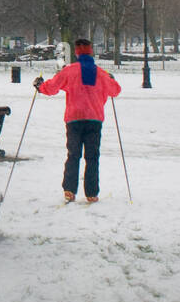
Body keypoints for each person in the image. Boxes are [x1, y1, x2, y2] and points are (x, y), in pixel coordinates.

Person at [34, 37, 122, 203]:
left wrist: (40, 86)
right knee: (92, 156)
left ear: (76, 52)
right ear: (91, 52)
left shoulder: (69, 71)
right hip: (94, 119)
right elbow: (115, 91)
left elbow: (52, 87)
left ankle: (69, 190)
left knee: (73, 154)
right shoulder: (100, 73)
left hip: (74, 119)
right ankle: (91, 192)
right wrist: (111, 78)